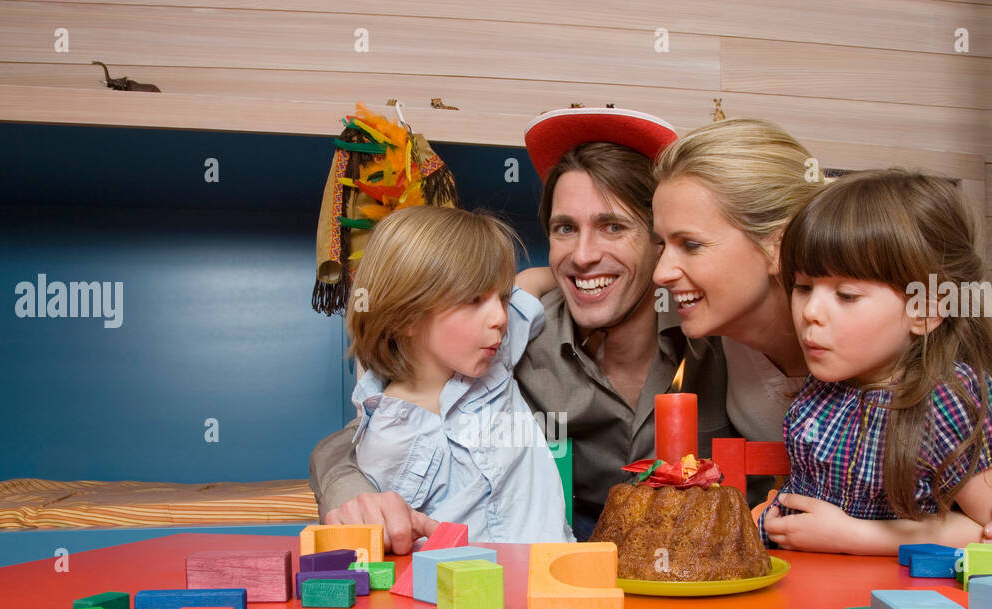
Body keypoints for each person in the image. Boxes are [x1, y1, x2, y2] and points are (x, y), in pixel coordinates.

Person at [309, 108, 735, 550]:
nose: (584, 254)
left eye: (613, 226)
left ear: (659, 238)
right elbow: (364, 430)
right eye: (565, 229)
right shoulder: (510, 343)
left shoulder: (718, 332)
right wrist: (356, 497)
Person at [644, 117, 992, 556]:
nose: (659, 274)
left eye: (691, 244)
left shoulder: (922, 372)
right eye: (661, 243)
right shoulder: (718, 333)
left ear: (780, 244)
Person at [757, 169, 992, 553]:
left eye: (846, 295)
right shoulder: (827, 389)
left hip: (903, 606)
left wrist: (856, 536)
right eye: (803, 287)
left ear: (926, 310)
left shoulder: (947, 400)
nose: (810, 311)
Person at [342, 205, 572, 543]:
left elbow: (532, 283)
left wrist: (579, 275)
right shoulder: (391, 437)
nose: (499, 316)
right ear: (406, 317)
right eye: (474, 298)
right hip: (471, 590)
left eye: (503, 297)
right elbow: (395, 544)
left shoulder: (496, 352)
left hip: (555, 575)